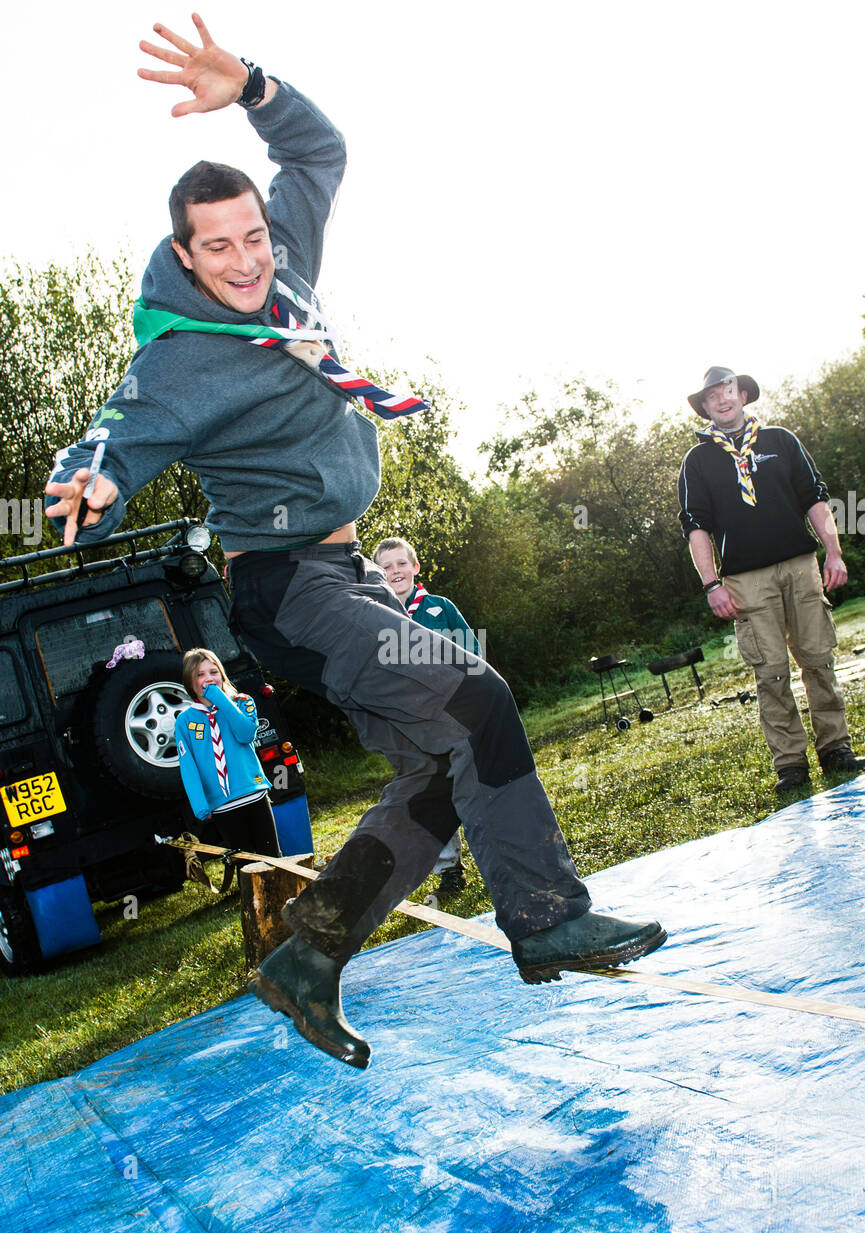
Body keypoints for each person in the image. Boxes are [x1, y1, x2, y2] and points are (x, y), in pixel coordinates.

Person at [45, 15, 665, 1072]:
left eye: (252, 237)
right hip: (286, 592)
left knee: (439, 770)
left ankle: (307, 954)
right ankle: (545, 915)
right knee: (478, 693)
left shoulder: (284, 266)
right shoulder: (183, 354)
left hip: (340, 570)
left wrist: (252, 85)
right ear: (182, 255)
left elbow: (318, 152)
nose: (245, 262)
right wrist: (89, 478)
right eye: (219, 248)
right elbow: (118, 429)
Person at [678, 366, 863, 795]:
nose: (722, 400)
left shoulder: (781, 440)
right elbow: (696, 527)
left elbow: (814, 498)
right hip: (745, 579)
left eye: (727, 390)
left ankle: (836, 748)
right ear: (705, 407)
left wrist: (832, 552)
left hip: (800, 566)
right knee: (771, 673)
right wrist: (711, 584)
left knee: (818, 659)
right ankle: (791, 764)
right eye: (712, 397)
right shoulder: (698, 461)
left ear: (742, 393)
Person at [373, 536, 480, 897]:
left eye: (401, 563)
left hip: (453, 714)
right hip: (412, 727)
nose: (395, 572)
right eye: (385, 567)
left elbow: (471, 651)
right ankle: (450, 870)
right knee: (433, 793)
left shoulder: (439, 608)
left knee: (473, 784)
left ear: (415, 567)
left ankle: (494, 853)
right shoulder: (375, 618)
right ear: (377, 576)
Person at [176, 648, 281, 856]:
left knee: (272, 856)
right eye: (200, 674)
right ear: (191, 682)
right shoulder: (185, 721)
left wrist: (221, 700)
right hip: (222, 805)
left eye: (213, 672)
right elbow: (188, 765)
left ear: (222, 674)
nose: (209, 678)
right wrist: (199, 804)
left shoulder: (242, 702)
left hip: (253, 792)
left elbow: (245, 735)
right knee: (245, 862)